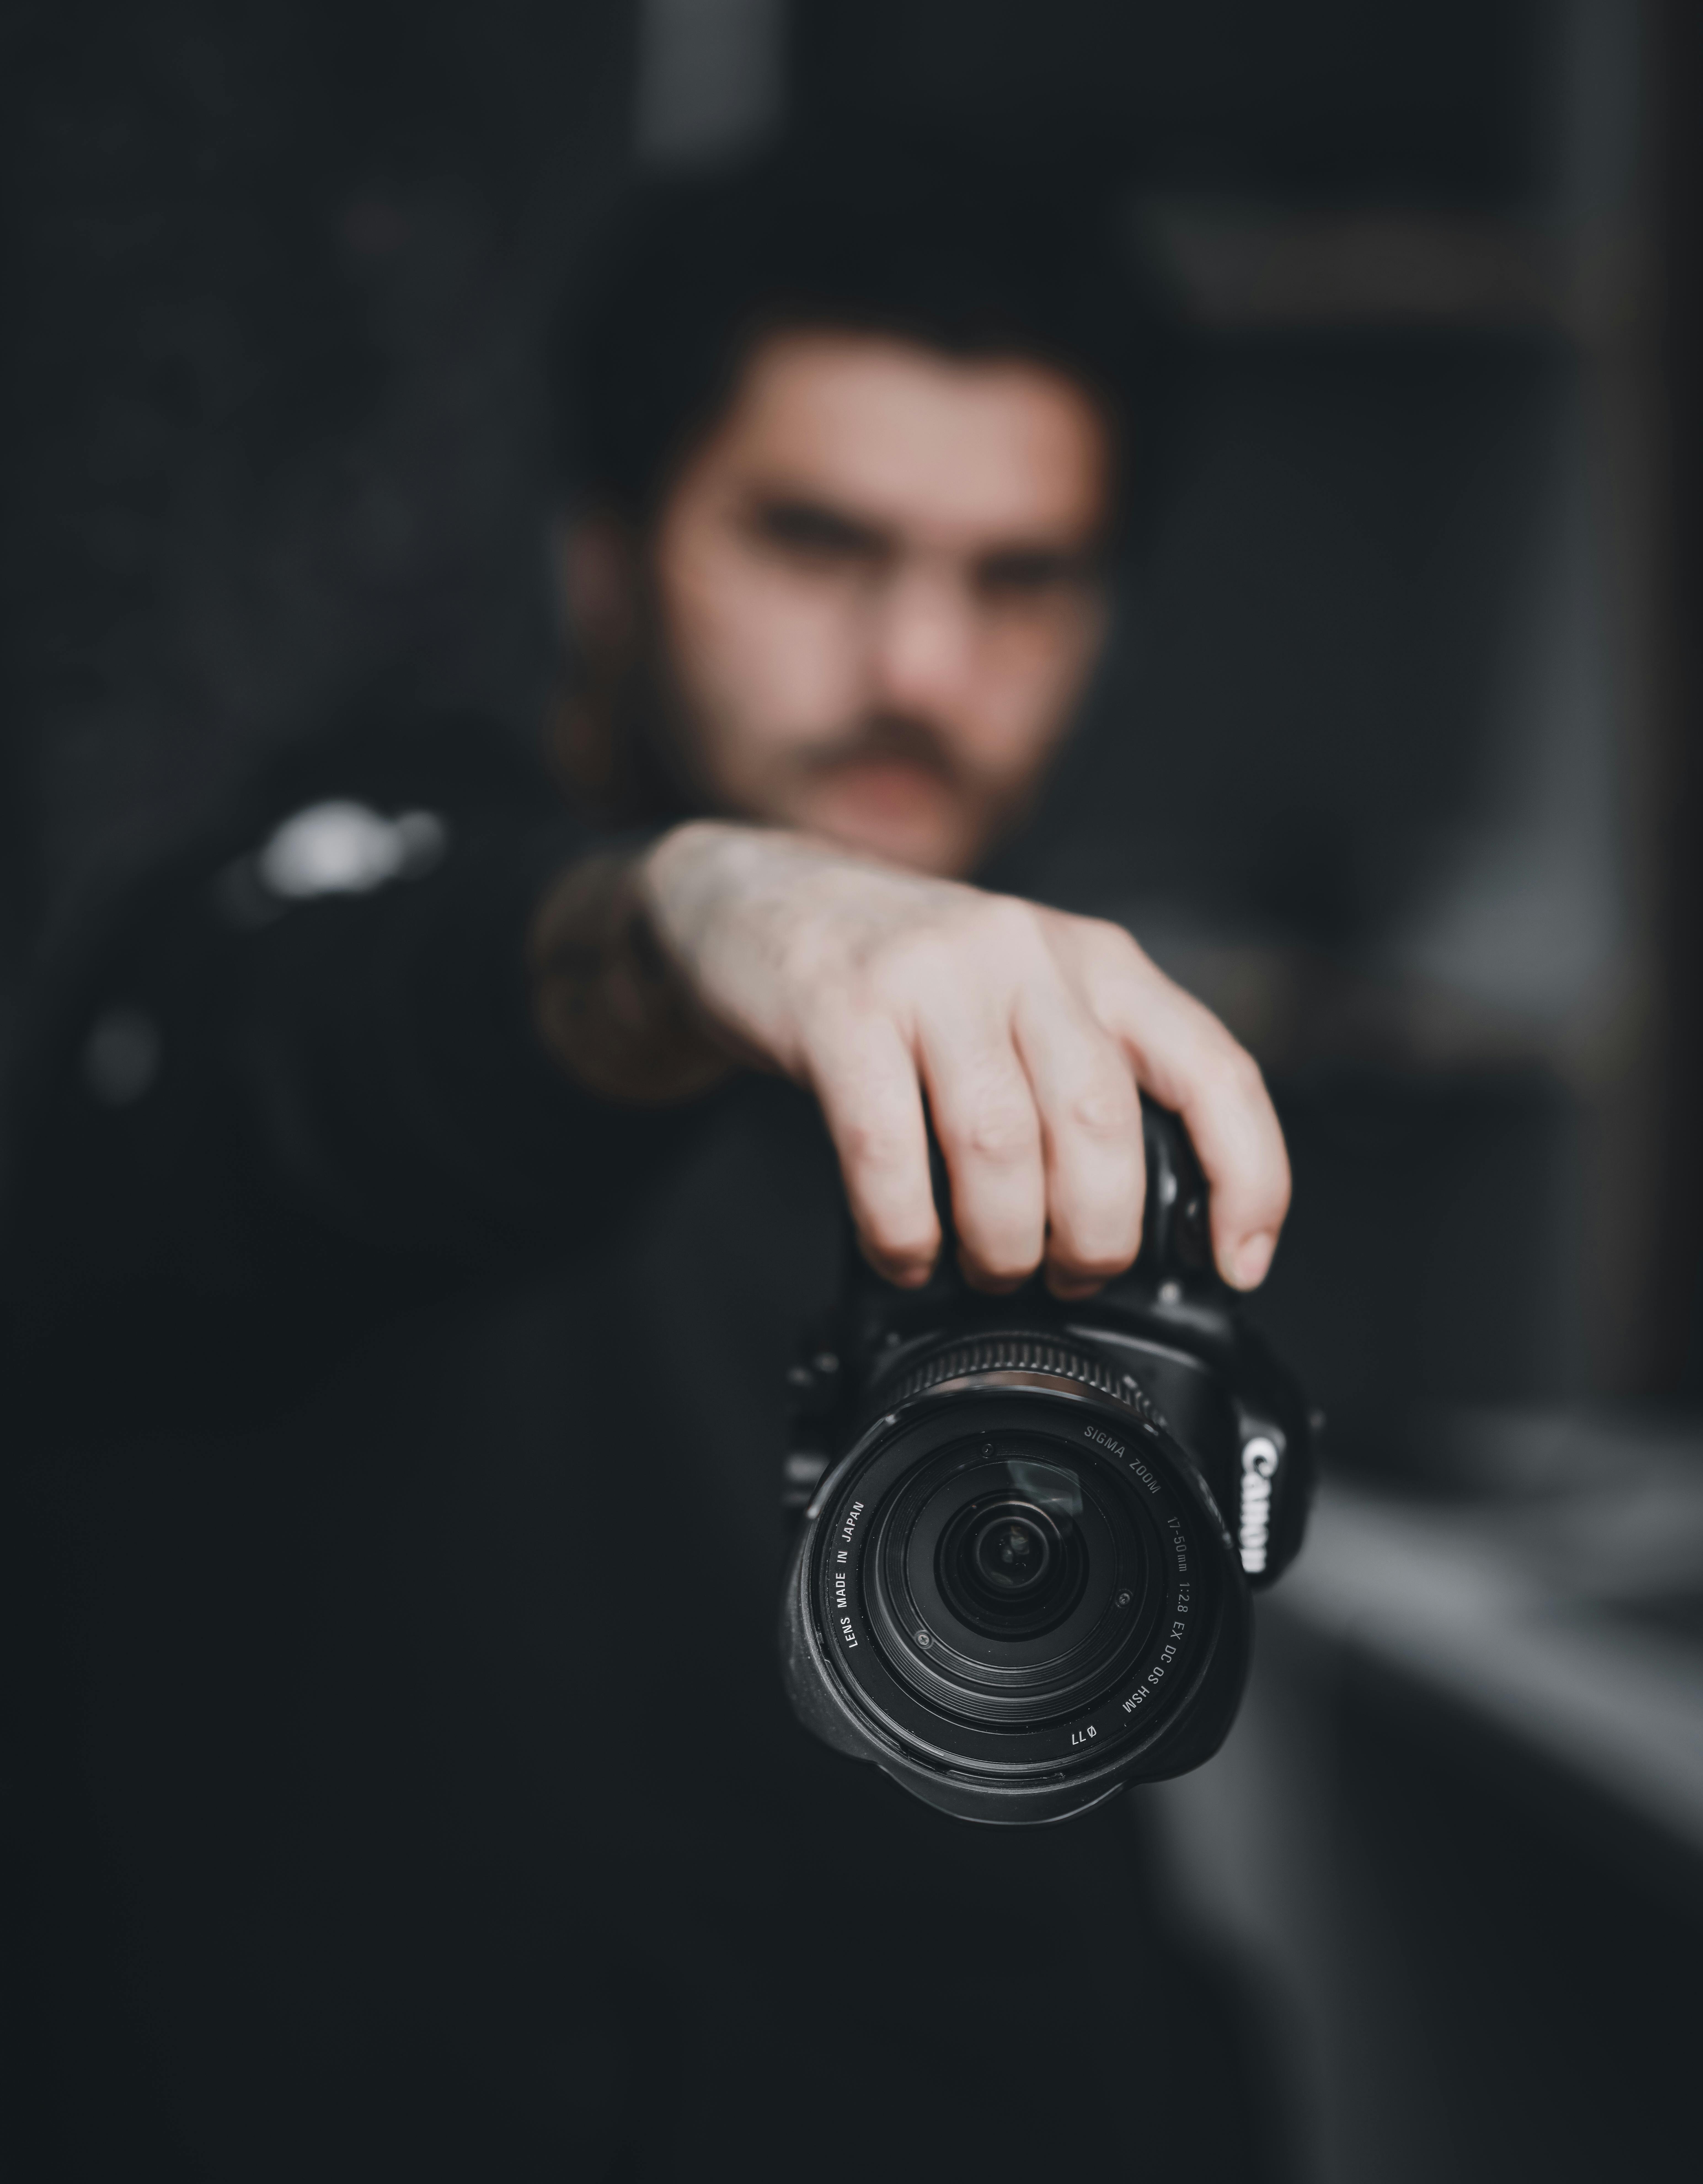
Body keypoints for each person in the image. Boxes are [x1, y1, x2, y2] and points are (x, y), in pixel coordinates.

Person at [4, 146, 1294, 2180]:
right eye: (815, 544)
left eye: (1020, 580)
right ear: (604, 557)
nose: (920, 673)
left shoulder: (1042, 1088)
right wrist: (702, 919)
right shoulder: (387, 913)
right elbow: (350, 1037)